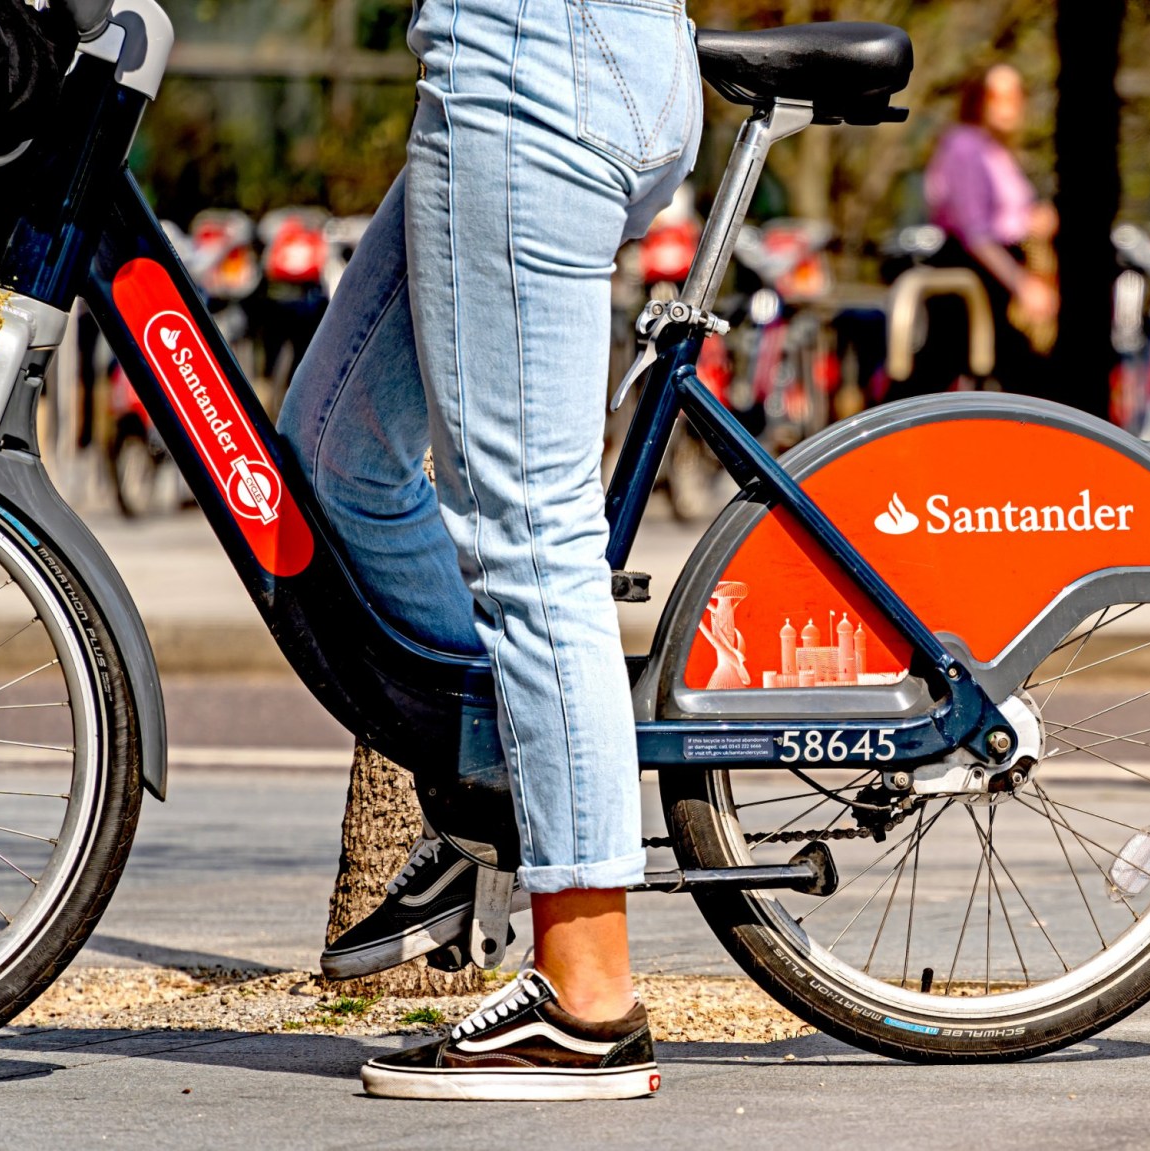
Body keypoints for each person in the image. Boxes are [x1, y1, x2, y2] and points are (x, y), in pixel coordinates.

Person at [277, 0, 700, 1100]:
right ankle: (497, 784)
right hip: (568, 51)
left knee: (532, 533)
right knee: (336, 449)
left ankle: (587, 999)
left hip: (528, 58)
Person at [900, 63, 1055, 399]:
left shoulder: (998, 151)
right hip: (974, 270)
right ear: (977, 100)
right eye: (996, 96)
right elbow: (976, 232)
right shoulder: (965, 146)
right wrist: (1022, 283)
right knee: (941, 372)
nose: (1008, 105)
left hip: (1001, 268)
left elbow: (1007, 215)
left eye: (1016, 96)